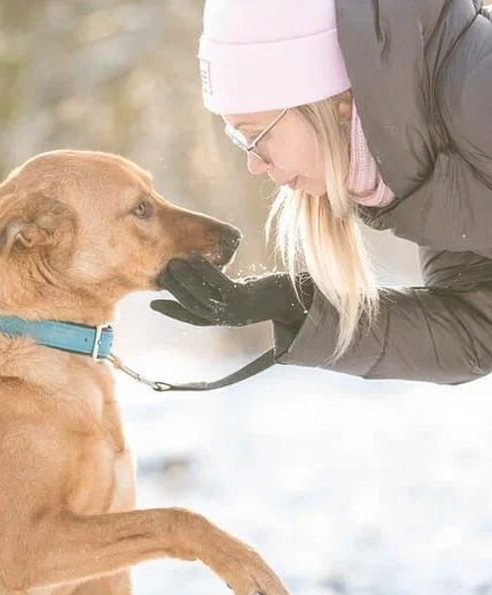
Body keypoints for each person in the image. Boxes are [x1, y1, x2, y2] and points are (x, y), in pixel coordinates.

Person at [151, 0, 492, 385]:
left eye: (257, 136)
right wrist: (296, 306)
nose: (254, 164)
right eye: (240, 140)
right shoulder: (417, 157)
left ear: (338, 103)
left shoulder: (477, 93)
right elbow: (479, 328)